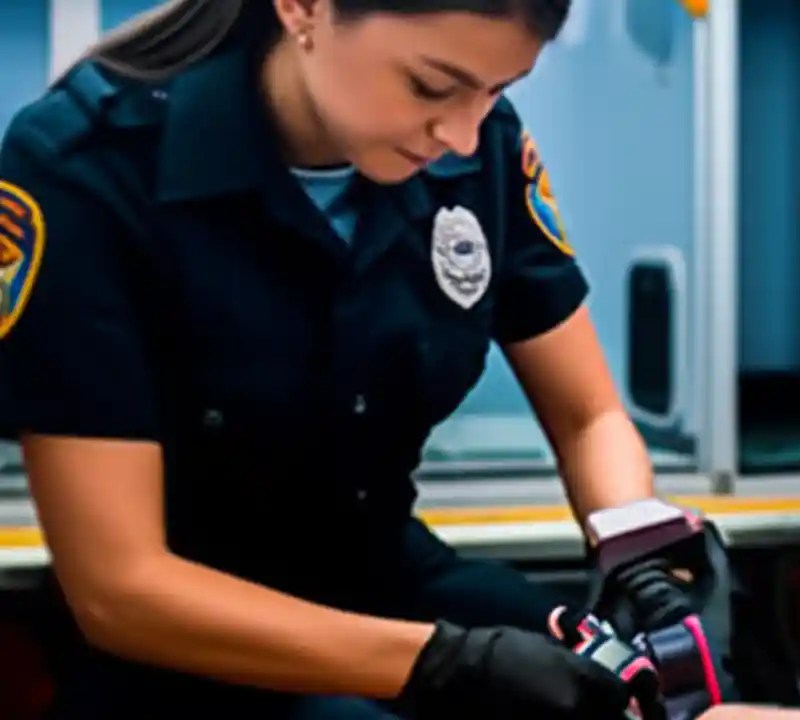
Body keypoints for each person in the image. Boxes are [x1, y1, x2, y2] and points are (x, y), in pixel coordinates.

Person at [0, 0, 660, 717]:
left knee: (635, 688)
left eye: (498, 90)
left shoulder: (477, 145)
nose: (463, 134)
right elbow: (119, 589)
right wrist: (445, 663)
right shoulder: (87, 167)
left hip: (388, 587)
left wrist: (642, 554)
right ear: (303, 9)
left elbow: (588, 418)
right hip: (183, 649)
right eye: (430, 87)